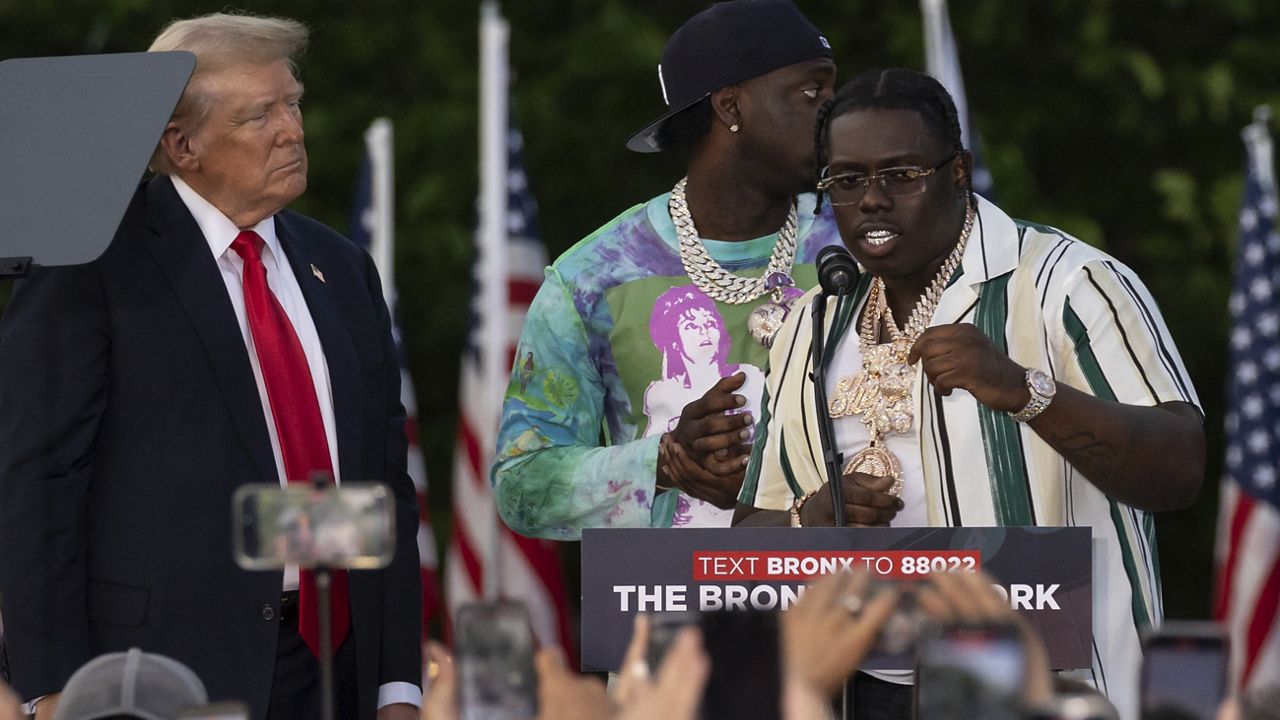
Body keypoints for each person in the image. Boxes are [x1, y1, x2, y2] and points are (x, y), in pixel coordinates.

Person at [735, 68, 1205, 719]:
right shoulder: (809, 326)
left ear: (958, 171)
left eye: (901, 175)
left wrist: (1025, 391)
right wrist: (807, 521)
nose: (871, 199)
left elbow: (1179, 467)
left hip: (1046, 687)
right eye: (846, 181)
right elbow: (750, 530)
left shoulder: (1067, 284)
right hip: (855, 691)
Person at [0, 13, 421, 720]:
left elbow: (382, 484)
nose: (293, 130)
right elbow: (38, 483)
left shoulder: (341, 268)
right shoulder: (91, 264)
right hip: (156, 677)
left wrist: (395, 683)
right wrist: (51, 688)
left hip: (335, 671)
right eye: (262, 114)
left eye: (293, 103)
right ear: (182, 144)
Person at [492, 0, 841, 538]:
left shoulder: (861, 247)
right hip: (675, 609)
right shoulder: (593, 277)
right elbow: (522, 486)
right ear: (731, 107)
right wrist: (664, 462)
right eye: (811, 91)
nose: (834, 112)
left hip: (848, 600)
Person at [642, 285, 766, 526]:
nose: (704, 331)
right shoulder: (661, 391)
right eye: (690, 327)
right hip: (682, 531)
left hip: (770, 525)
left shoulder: (750, 376)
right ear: (674, 343)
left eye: (709, 323)